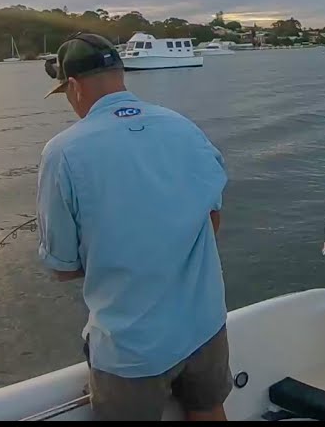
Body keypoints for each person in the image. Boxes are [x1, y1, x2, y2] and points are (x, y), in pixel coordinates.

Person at [37, 33, 231, 421]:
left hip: (131, 347)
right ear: (120, 73)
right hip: (205, 326)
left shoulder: (62, 152)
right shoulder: (183, 127)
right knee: (209, 410)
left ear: (73, 86)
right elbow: (213, 218)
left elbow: (61, 268)